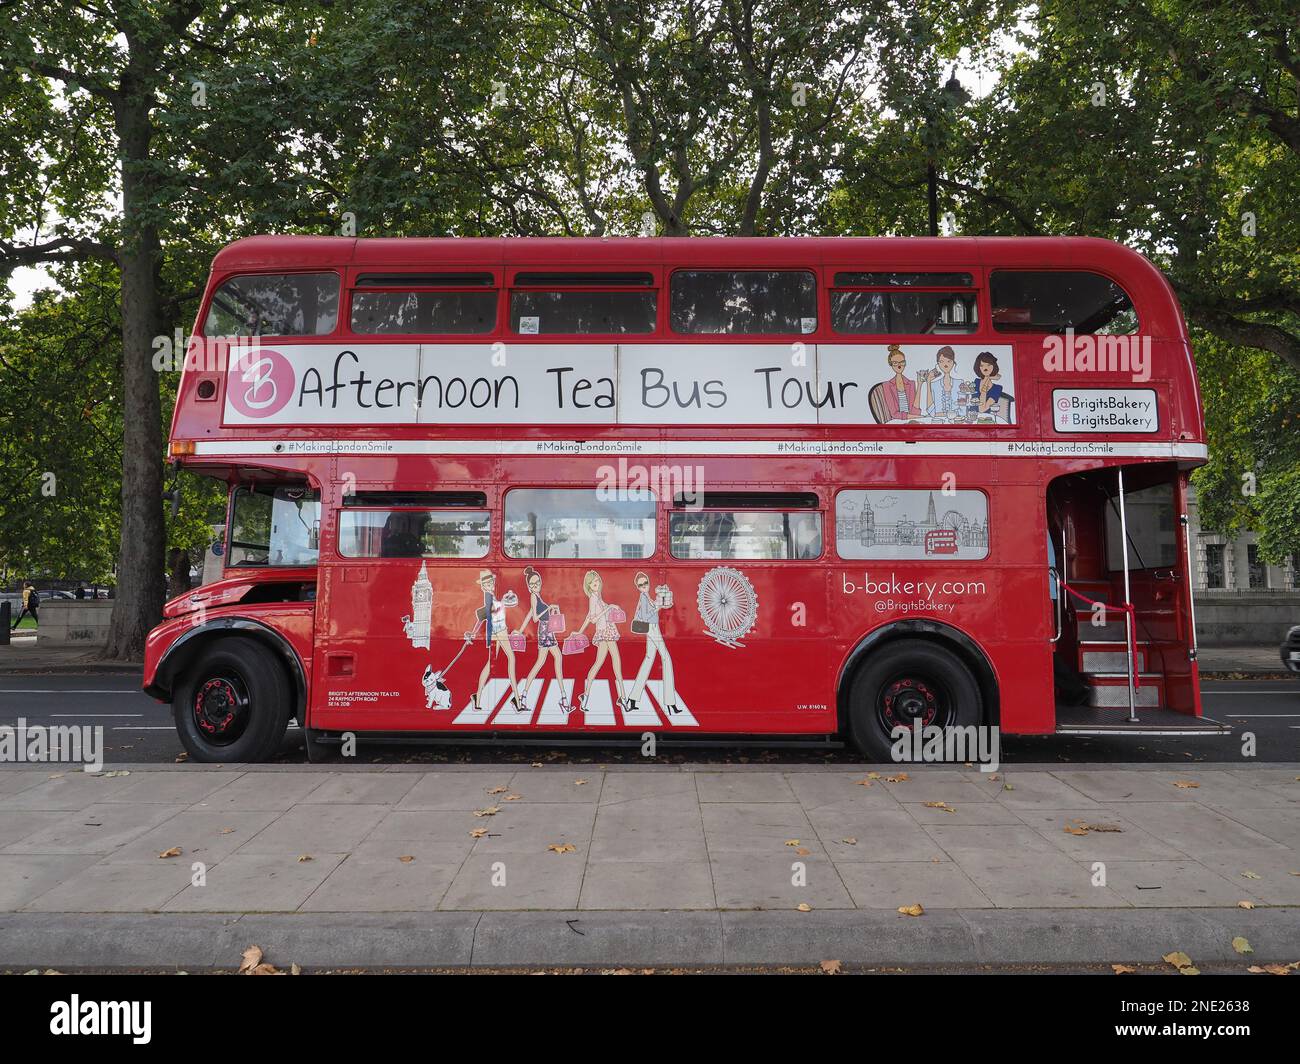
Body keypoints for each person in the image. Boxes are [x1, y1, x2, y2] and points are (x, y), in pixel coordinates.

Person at [626, 572, 679, 717]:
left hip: (652, 628)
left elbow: (650, 612)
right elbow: (645, 616)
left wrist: (658, 605)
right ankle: (670, 703)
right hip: (651, 628)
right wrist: (658, 606)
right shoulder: (643, 597)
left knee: (649, 659)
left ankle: (632, 699)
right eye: (641, 585)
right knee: (666, 658)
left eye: (646, 583)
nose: (644, 586)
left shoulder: (647, 597)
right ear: (637, 587)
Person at [576, 570, 627, 714]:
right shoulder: (593, 598)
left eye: (597, 581)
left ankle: (585, 696)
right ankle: (623, 698)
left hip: (607, 630)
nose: (596, 585)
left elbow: (588, 616)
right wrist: (608, 608)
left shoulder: (597, 596)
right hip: (605, 632)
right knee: (616, 662)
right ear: (589, 586)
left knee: (599, 663)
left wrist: (580, 631)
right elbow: (593, 618)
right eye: (593, 583)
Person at [517, 566, 567, 713]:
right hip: (544, 630)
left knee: (547, 661)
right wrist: (549, 607)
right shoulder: (534, 596)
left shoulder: (537, 596)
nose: (535, 586)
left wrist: (519, 630)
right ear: (528, 586)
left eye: (537, 582)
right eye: (532, 584)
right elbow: (535, 617)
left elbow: (529, 613)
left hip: (547, 630)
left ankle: (523, 697)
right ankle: (562, 699)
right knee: (547, 661)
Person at [471, 569, 522, 713]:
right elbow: (486, 614)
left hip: (500, 630)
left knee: (491, 662)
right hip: (498, 631)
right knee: (511, 659)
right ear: (483, 586)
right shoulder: (488, 596)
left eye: (491, 582)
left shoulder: (492, 595)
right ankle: (517, 700)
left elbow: (496, 609)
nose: (490, 584)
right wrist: (473, 632)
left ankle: (478, 697)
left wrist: (504, 600)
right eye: (486, 583)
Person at [920, 345, 966, 420]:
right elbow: (931, 411)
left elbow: (963, 411)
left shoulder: (960, 383)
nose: (945, 364)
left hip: (957, 422)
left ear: (953, 363)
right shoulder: (934, 385)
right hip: (938, 423)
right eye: (941, 361)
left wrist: (942, 414)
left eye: (949, 361)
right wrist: (928, 383)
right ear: (938, 364)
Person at [880, 344, 923, 421]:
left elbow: (915, 411)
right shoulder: (887, 385)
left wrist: (920, 385)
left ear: (905, 363)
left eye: (901, 362)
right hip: (897, 422)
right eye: (895, 363)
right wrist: (915, 417)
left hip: (912, 420)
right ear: (891, 364)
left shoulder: (911, 383)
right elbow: (894, 414)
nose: (899, 366)